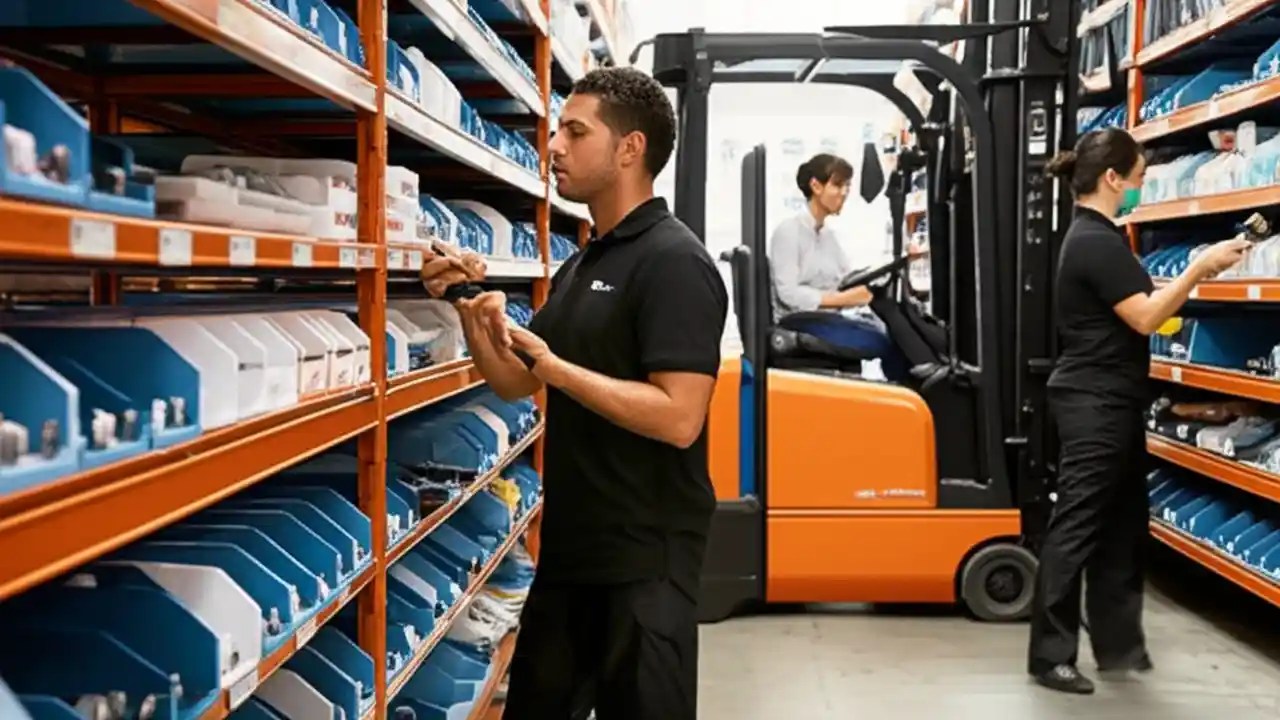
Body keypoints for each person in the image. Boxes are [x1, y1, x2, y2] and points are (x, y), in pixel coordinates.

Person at [421, 67, 728, 719]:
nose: (554, 146)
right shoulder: (584, 263)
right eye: (557, 130)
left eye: (574, 131)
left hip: (646, 565)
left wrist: (557, 370)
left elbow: (678, 418)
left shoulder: (676, 263)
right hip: (570, 556)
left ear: (629, 149)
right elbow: (514, 381)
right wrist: (469, 310)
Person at [1027, 128, 1250, 694]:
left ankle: (1119, 645)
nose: (1141, 185)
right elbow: (1147, 317)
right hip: (1095, 402)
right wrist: (1198, 268)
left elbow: (1145, 314)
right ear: (1112, 179)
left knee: (1124, 526)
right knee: (1076, 525)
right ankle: (1050, 656)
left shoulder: (1097, 236)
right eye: (1140, 176)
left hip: (1114, 400)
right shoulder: (1095, 242)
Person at [770, 153, 920, 378]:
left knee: (896, 334)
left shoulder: (828, 235)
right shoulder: (789, 232)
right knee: (880, 341)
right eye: (838, 185)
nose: (845, 193)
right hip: (798, 320)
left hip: (825, 316)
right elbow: (788, 294)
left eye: (847, 186)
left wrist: (880, 275)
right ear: (816, 186)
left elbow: (846, 278)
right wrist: (845, 299)